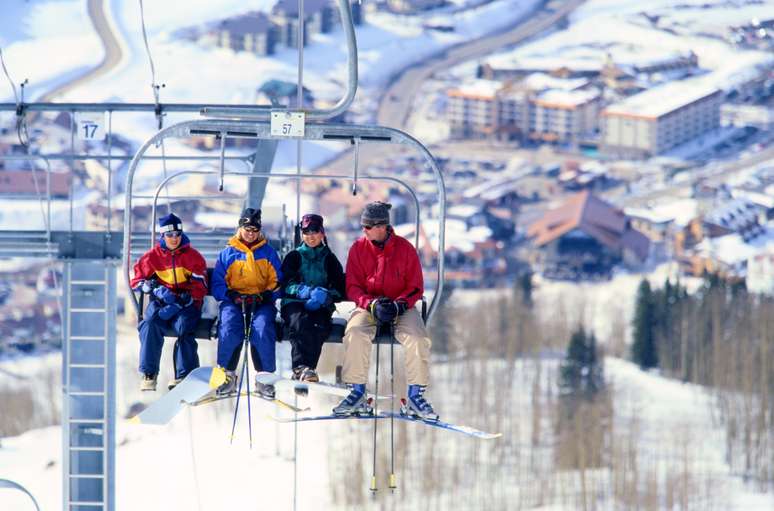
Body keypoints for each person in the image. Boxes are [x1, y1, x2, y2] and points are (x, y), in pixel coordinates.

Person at [333, 202, 438, 420]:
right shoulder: (358, 249)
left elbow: (416, 286)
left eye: (369, 226)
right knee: (355, 333)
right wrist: (371, 304)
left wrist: (399, 304)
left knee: (417, 338)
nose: (365, 230)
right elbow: (352, 286)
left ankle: (415, 396)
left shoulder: (405, 249)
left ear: (382, 226)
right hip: (369, 305)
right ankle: (357, 391)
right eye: (364, 226)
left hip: (402, 306)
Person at [130, 213, 208, 391]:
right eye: (170, 235)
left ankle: (185, 374)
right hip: (162, 303)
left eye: (177, 235)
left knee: (184, 327)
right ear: (162, 236)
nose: (174, 239)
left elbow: (201, 283)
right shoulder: (152, 257)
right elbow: (137, 281)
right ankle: (149, 373)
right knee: (149, 324)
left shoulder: (193, 257)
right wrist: (153, 288)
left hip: (185, 303)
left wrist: (188, 297)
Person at [211, 208, 282, 398]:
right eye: (247, 229)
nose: (251, 234)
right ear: (240, 227)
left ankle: (264, 378)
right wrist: (230, 294)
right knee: (229, 326)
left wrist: (267, 295)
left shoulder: (268, 253)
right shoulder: (228, 253)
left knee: (262, 327)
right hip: (234, 301)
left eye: (254, 230)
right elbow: (217, 283)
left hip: (260, 302)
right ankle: (227, 375)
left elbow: (277, 281)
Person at [280, 214, 346, 382]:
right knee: (300, 322)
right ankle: (301, 367)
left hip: (320, 305)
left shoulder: (329, 259)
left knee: (319, 325)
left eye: (314, 232)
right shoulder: (294, 257)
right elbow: (285, 284)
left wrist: (326, 296)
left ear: (322, 233)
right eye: (306, 232)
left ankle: (307, 369)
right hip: (294, 303)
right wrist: (304, 291)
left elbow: (339, 287)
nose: (311, 237)